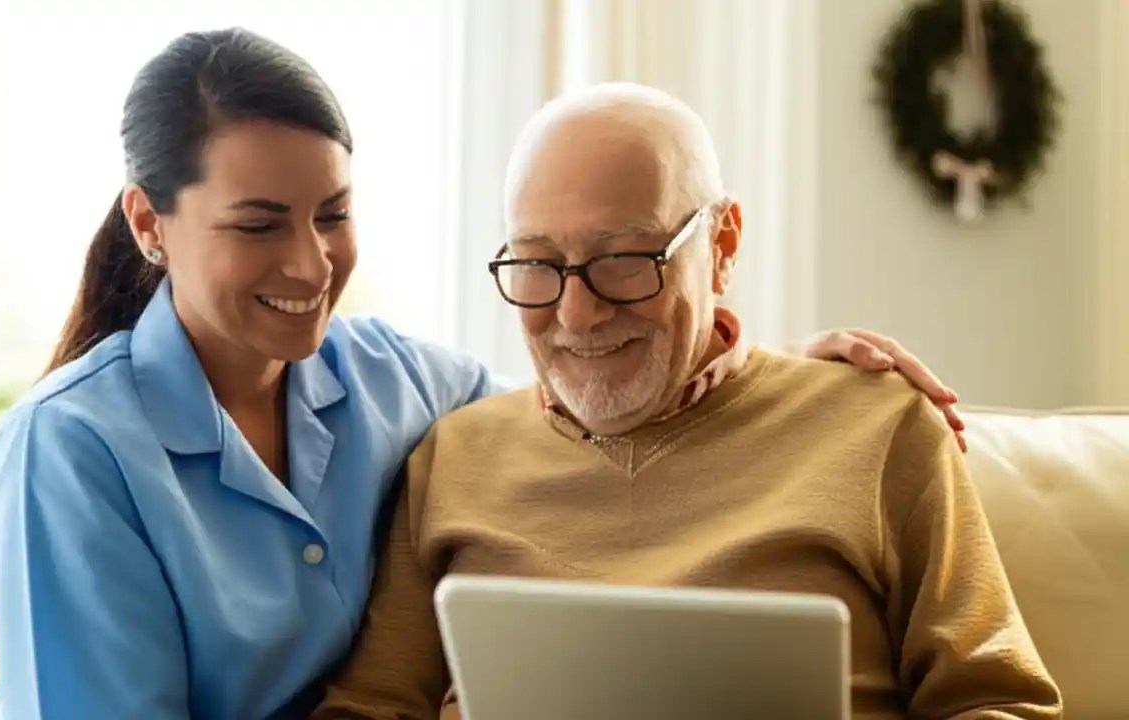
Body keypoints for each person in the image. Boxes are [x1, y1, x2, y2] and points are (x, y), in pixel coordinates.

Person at [0, 30, 966, 720]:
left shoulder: (402, 385)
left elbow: (600, 390)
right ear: (149, 223)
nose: (311, 265)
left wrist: (771, 377)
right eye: (259, 224)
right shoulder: (74, 446)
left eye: (332, 214)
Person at [312, 83, 1061, 719]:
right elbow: (369, 709)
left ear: (722, 245)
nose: (577, 314)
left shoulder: (878, 427)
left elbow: (998, 701)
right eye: (537, 263)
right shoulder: (453, 457)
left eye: (622, 259)